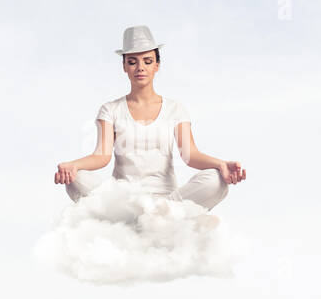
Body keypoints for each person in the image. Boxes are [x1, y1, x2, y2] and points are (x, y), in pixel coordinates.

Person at [53, 25, 246, 216]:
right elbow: (101, 157)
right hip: (123, 198)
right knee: (75, 178)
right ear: (124, 66)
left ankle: (148, 217)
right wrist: (73, 166)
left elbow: (190, 155)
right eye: (132, 62)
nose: (140, 68)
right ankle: (148, 218)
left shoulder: (175, 109)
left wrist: (221, 164)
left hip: (167, 201)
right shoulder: (110, 109)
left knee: (216, 181)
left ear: (157, 65)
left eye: (147, 61)